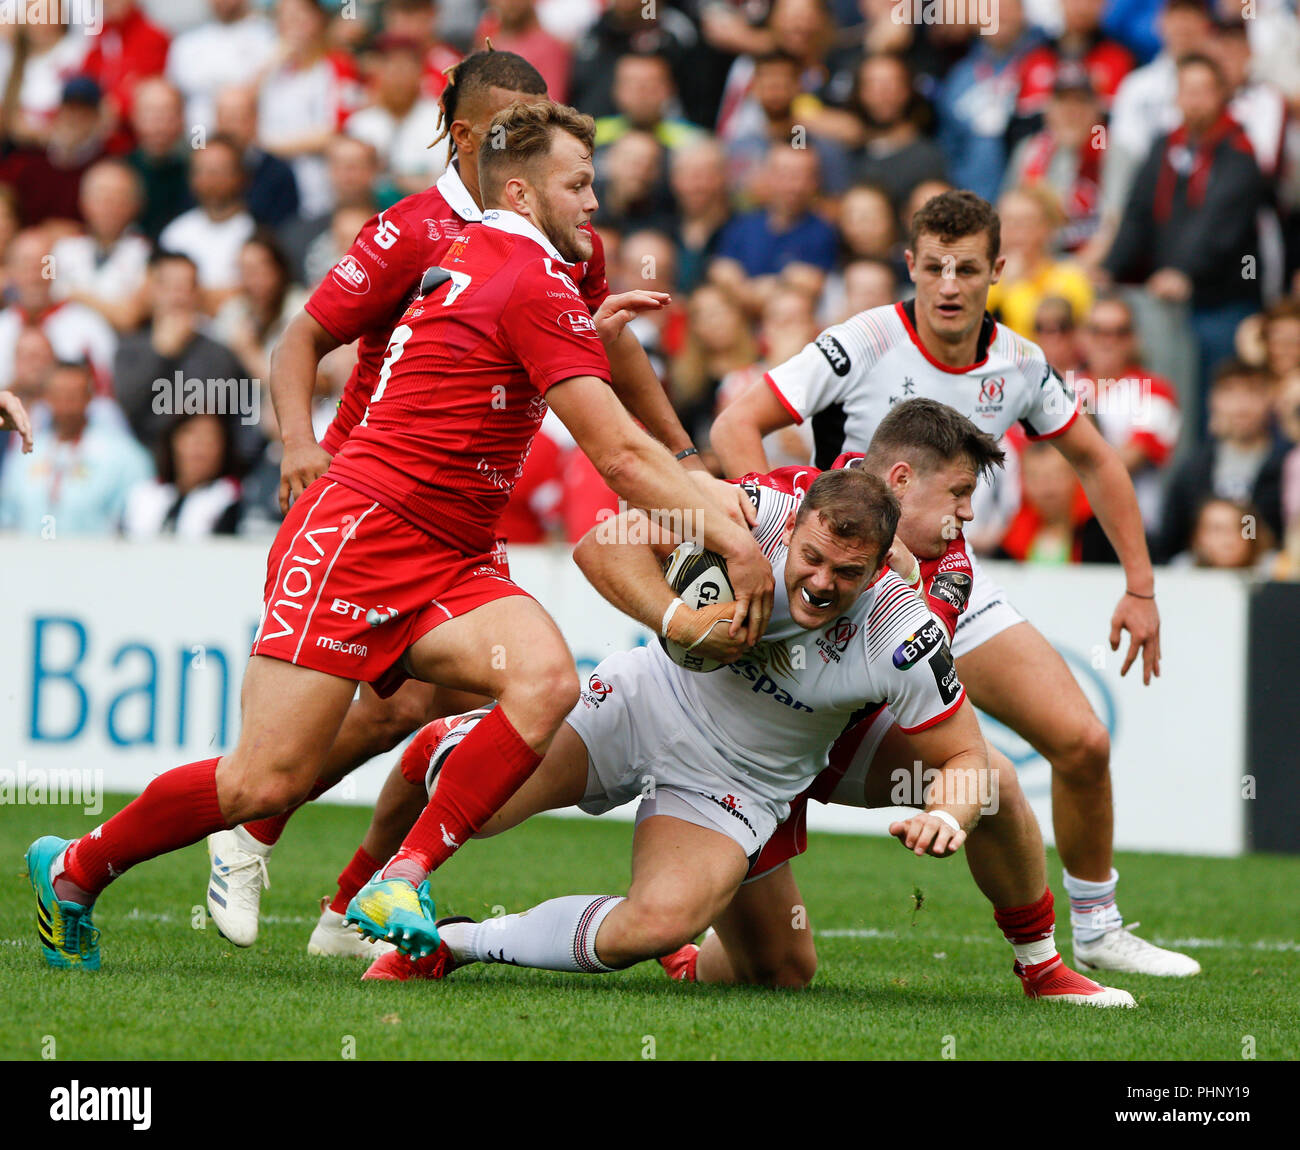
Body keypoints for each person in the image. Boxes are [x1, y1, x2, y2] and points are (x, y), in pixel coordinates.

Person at [26, 99, 773, 974]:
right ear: (525, 193)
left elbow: (600, 395)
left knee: (543, 680)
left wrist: (689, 465)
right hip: (363, 531)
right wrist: (737, 533)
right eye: (580, 184)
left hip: (450, 550)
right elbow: (613, 452)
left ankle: (400, 876)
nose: (596, 201)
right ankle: (74, 867)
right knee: (262, 782)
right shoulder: (526, 279)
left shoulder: (512, 263)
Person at [205, 53, 754, 959]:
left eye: (542, 119)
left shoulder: (562, 232)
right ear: (466, 137)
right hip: (372, 494)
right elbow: (303, 335)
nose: (533, 138)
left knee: (440, 711)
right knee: (412, 710)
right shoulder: (409, 230)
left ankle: (354, 897)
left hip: (460, 512)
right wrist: (299, 444)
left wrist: (688, 458)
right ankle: (273, 841)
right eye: (512, 124)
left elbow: (599, 361)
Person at [363, 442, 1134, 1007]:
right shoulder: (753, 513)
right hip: (645, 702)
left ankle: (455, 944)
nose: (822, 583)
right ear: (798, 528)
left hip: (740, 781)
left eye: (847, 575)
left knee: (667, 927)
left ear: (880, 571)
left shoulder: (904, 630)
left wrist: (947, 813)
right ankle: (441, 764)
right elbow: (604, 542)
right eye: (812, 560)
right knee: (482, 806)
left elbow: (966, 754)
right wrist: (679, 618)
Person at [709, 189, 1200, 976]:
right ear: (910, 265)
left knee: (1082, 740)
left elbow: (1098, 462)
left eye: (966, 269)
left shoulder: (1023, 363)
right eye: (932, 266)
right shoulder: (861, 340)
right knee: (778, 866)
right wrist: (773, 550)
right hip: (850, 598)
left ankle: (1099, 927)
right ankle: (707, 931)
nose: (947, 284)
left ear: (997, 271)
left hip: (949, 588)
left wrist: (1140, 588)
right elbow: (737, 423)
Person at [0, 360, 151, 536]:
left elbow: (140, 517)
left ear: (89, 397)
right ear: (46, 398)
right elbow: (7, 515)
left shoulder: (123, 455)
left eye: (73, 395)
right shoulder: (25, 452)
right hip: (30, 556)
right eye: (59, 394)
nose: (66, 403)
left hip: (97, 558)